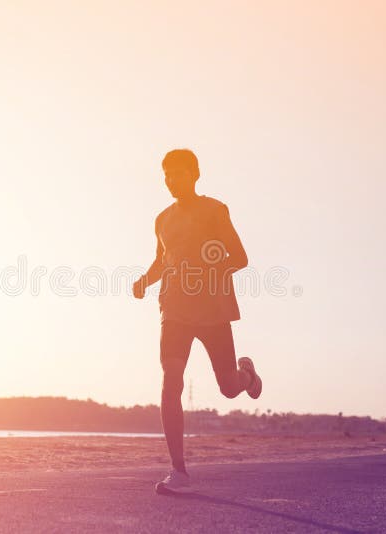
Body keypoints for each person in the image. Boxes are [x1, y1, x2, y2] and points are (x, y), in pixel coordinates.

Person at [133, 148, 262, 495]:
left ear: (195, 174)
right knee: (171, 379)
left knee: (228, 386)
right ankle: (179, 471)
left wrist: (207, 270)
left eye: (178, 173)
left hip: (212, 311)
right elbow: (162, 260)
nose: (171, 180)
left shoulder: (214, 210)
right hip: (174, 309)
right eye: (166, 175)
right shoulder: (162, 219)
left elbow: (239, 257)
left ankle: (246, 373)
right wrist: (145, 281)